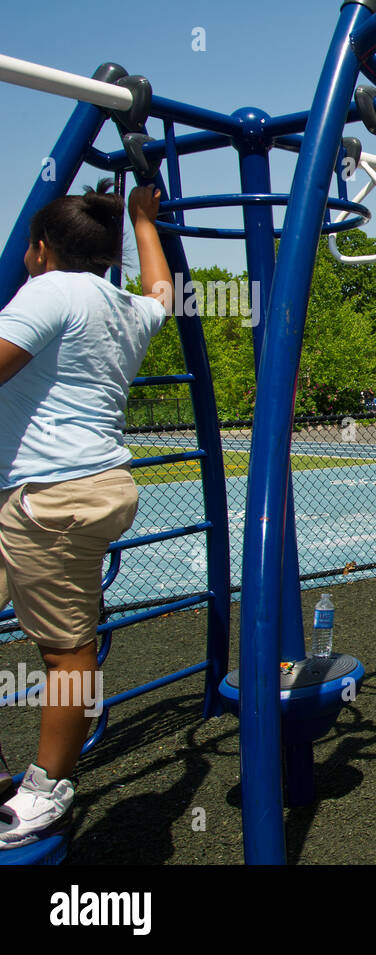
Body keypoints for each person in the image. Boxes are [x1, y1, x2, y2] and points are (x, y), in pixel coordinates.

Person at [0, 182, 172, 847]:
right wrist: (143, 222)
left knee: (65, 650)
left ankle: (47, 788)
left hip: (52, 497)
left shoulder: (49, 291)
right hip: (85, 488)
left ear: (40, 249)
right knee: (64, 642)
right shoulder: (123, 305)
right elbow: (161, 292)